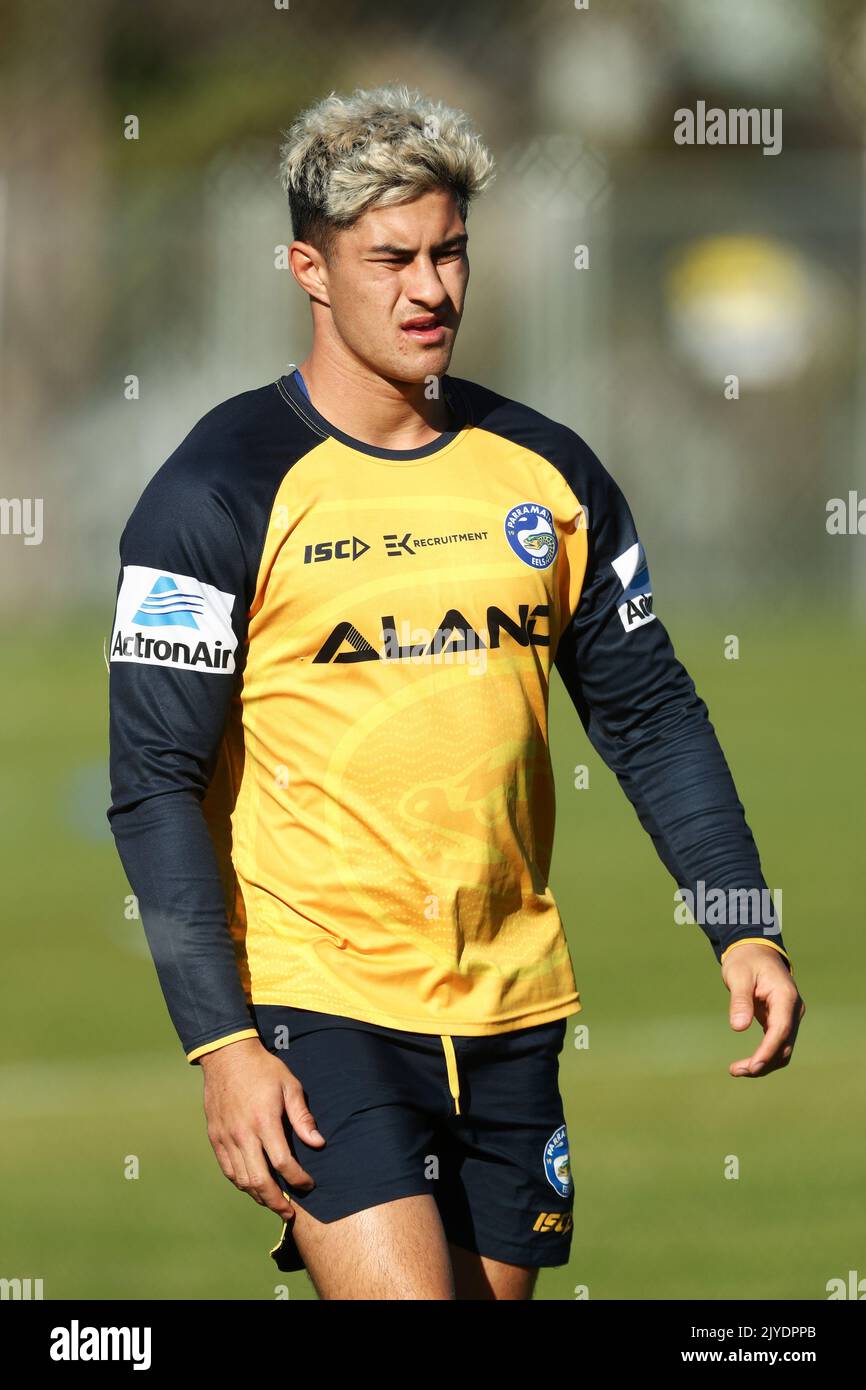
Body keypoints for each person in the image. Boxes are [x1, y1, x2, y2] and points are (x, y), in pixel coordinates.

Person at [107, 83, 805, 1301]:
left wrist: (739, 916)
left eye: (448, 253)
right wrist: (221, 1042)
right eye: (390, 259)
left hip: (511, 1004)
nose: (429, 290)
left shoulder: (546, 471)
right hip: (314, 1001)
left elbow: (647, 712)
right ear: (308, 269)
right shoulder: (212, 489)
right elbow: (154, 779)